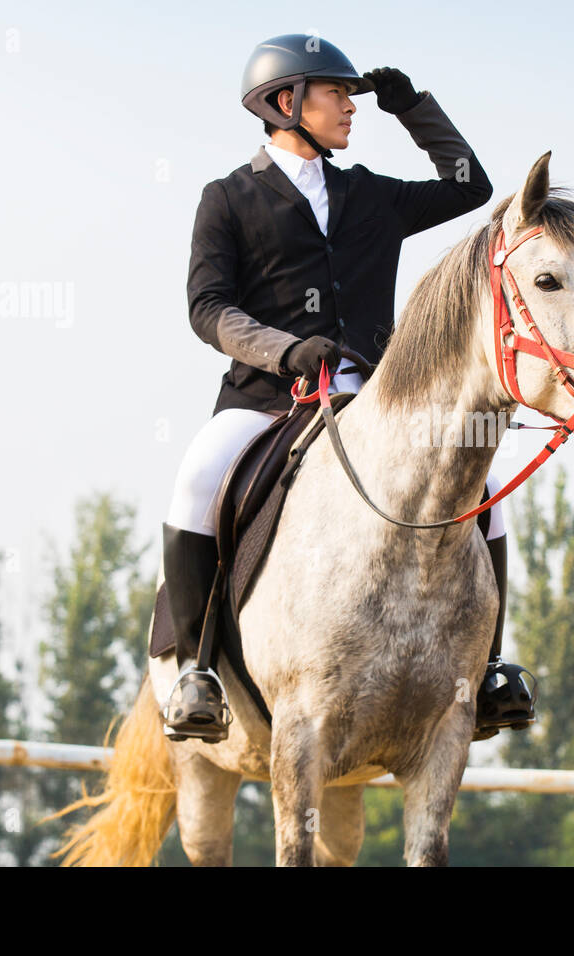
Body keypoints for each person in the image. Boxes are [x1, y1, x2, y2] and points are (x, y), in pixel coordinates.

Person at [159, 34, 537, 743]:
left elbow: (470, 188)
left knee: (486, 486)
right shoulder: (229, 198)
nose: (350, 106)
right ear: (285, 102)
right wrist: (284, 350)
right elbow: (208, 308)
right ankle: (196, 670)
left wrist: (415, 110)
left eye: (352, 96)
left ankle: (488, 669)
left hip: (381, 401)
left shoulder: (369, 194)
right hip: (269, 398)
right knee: (197, 477)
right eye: (336, 93)